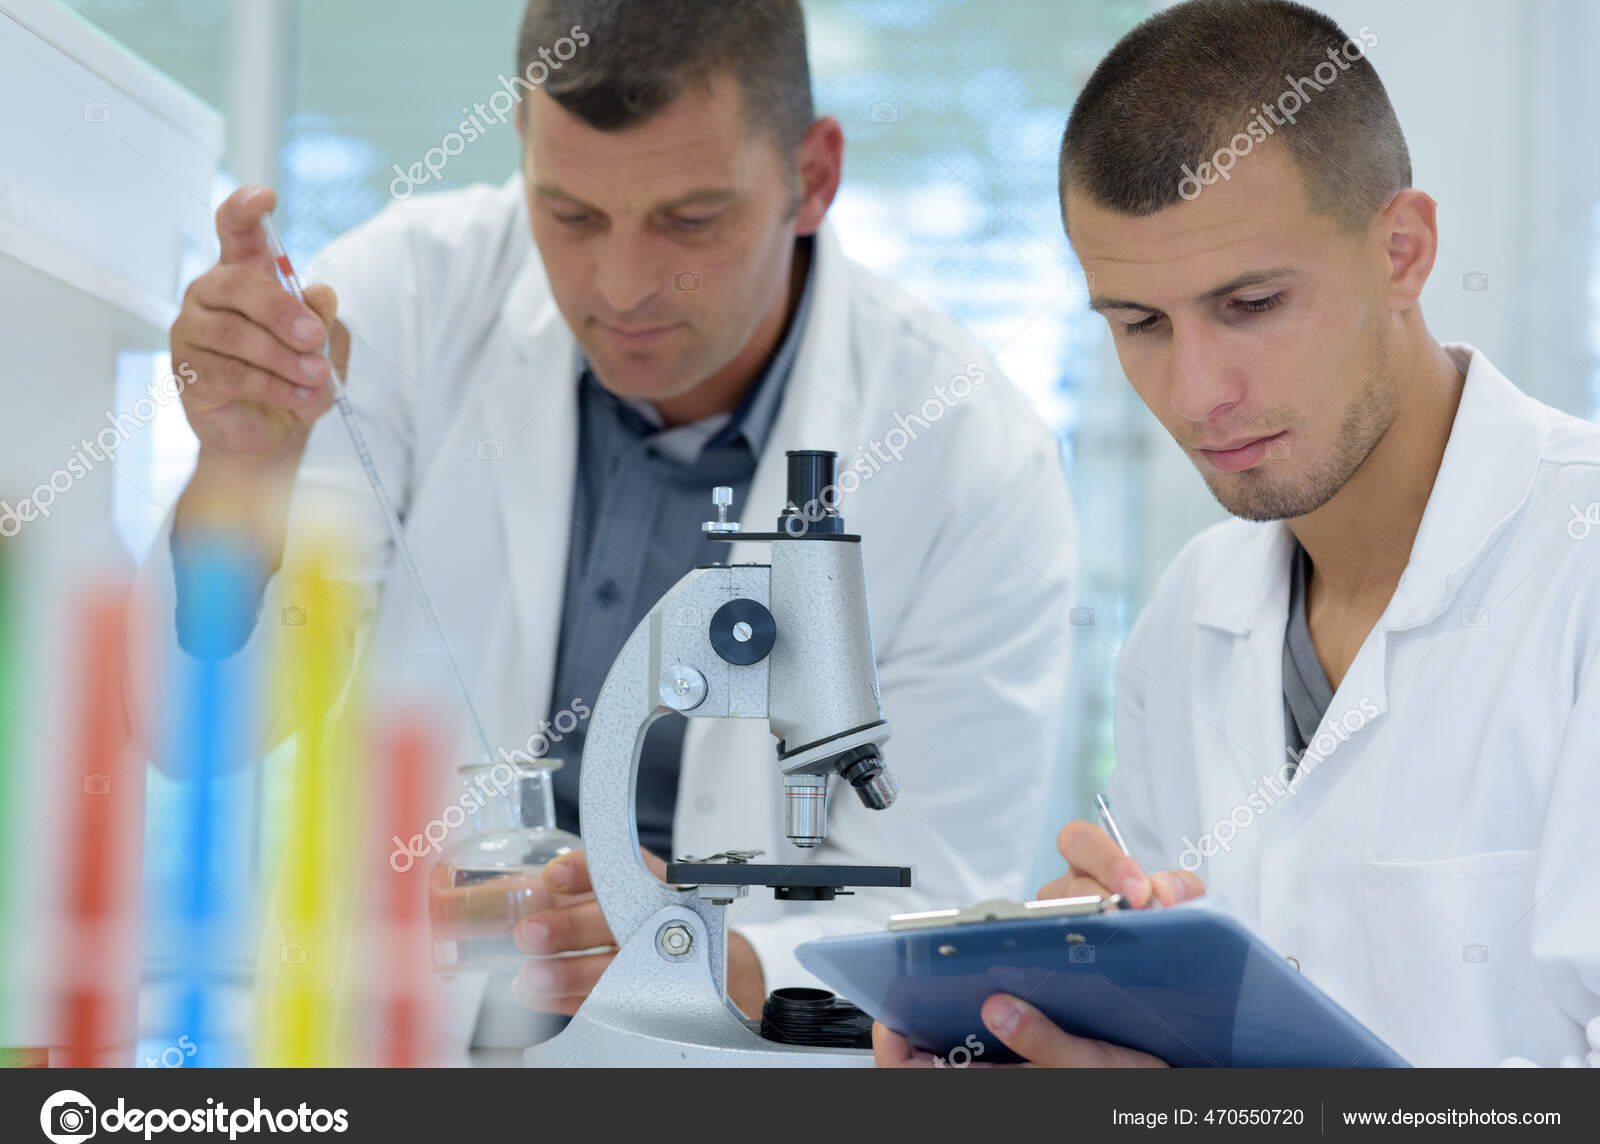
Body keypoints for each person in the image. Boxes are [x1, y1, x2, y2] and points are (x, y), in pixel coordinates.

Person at [128, 0, 1076, 1059]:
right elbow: (189, 727)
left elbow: (939, 915)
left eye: (690, 219)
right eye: (571, 216)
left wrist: (709, 954)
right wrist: (245, 473)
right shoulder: (406, 298)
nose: (622, 289)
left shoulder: (967, 454)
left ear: (811, 177)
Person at [877, 0, 1599, 1069]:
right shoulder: (1187, 620)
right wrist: (1069, 1025)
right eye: (1140, 324)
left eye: (1251, 304)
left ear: (1402, 251)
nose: (1197, 393)